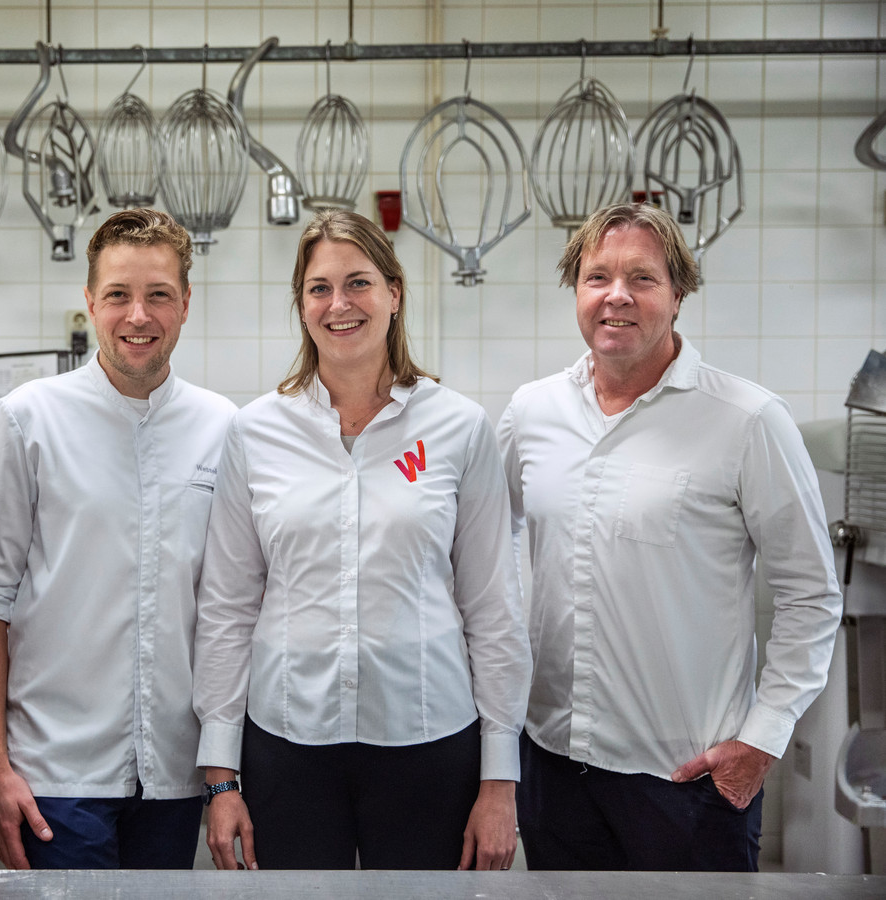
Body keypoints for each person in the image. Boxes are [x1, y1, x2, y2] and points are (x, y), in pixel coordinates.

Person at [497, 203, 843, 871]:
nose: (616, 296)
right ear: (576, 290)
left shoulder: (747, 421)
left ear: (678, 294)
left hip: (689, 779)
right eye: (597, 277)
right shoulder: (532, 412)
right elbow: (485, 550)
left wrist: (763, 739)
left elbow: (810, 595)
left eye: (642, 278)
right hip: (554, 766)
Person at [194, 209, 532, 871]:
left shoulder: (459, 428)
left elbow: (492, 608)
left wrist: (499, 778)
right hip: (287, 742)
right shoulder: (256, 432)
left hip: (430, 741)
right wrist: (220, 777)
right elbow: (228, 609)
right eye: (319, 288)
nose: (339, 304)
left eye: (358, 283)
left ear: (394, 293)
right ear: (301, 305)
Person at [0, 208, 237, 869]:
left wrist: (222, 772)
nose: (138, 316)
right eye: (118, 295)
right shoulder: (29, 420)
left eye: (158, 295)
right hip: (55, 776)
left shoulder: (222, 427)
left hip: (173, 773)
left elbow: (228, 609)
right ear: (90, 300)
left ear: (186, 304)